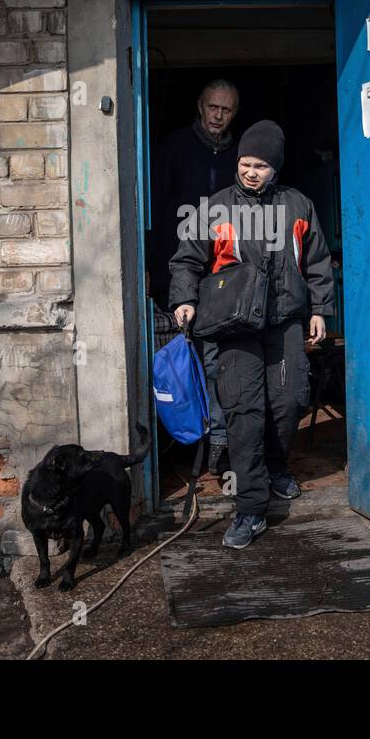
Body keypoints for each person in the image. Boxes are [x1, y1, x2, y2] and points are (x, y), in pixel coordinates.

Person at [169, 119, 335, 549]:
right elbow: (186, 259)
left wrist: (321, 309)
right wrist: (183, 299)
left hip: (286, 322)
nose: (250, 172)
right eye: (245, 163)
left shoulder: (299, 205)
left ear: (275, 168)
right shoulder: (215, 207)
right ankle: (250, 509)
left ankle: (277, 466)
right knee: (244, 413)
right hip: (234, 327)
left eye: (260, 165)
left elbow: (318, 262)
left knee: (289, 400)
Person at [149, 80, 240, 473]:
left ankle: (218, 444)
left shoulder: (241, 155)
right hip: (177, 267)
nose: (218, 115)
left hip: (224, 274)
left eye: (227, 110)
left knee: (221, 359)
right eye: (213, 107)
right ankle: (185, 441)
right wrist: (150, 266)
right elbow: (153, 209)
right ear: (200, 107)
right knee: (181, 357)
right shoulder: (174, 146)